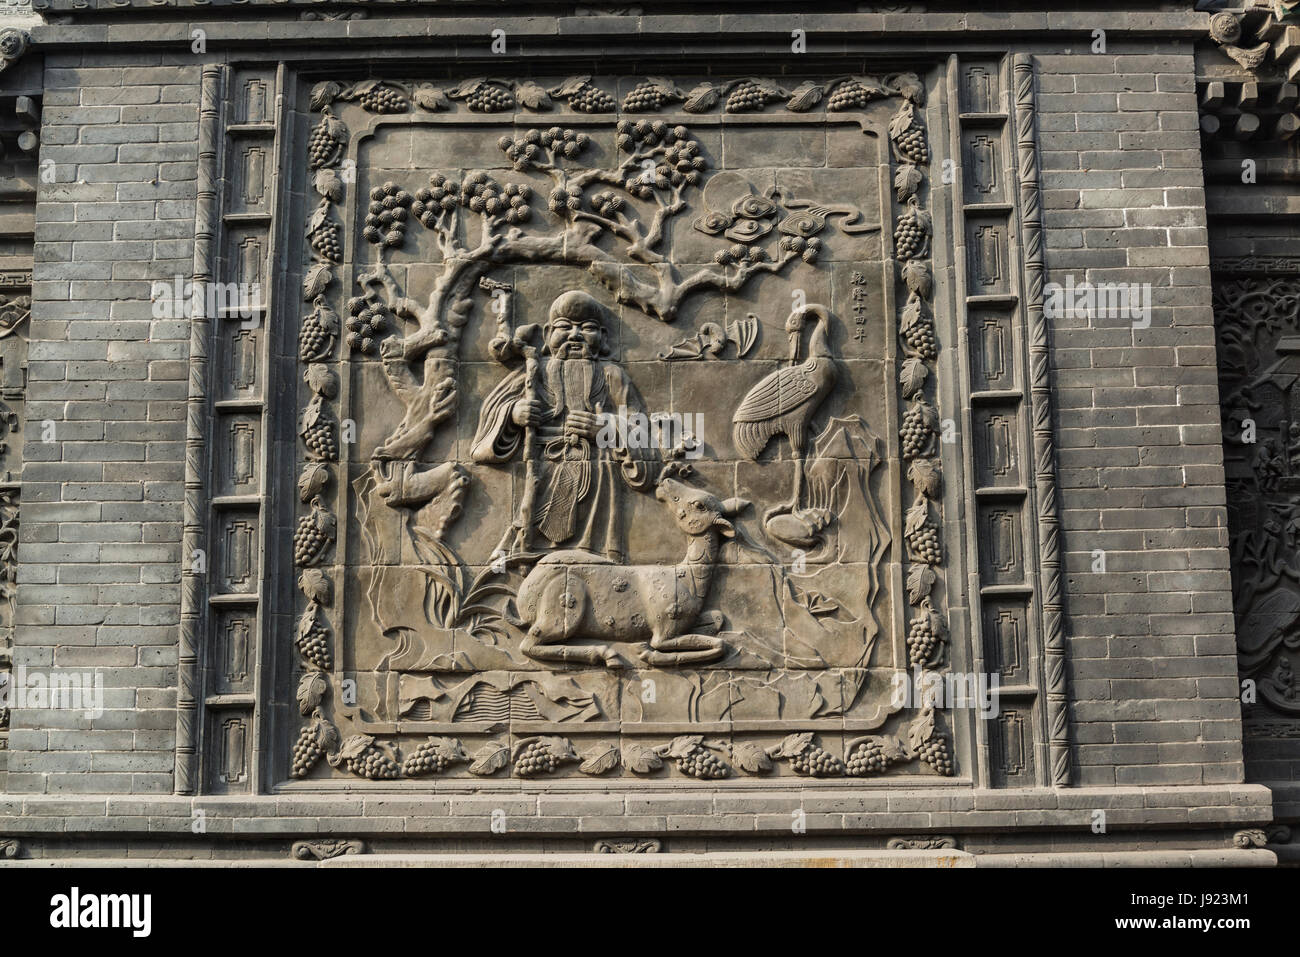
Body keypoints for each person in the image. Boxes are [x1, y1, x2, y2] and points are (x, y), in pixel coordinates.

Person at [471, 290, 657, 561]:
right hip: (542, 468)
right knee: (526, 538)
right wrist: (513, 413)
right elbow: (489, 419)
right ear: (548, 334)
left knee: (591, 556)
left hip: (596, 477)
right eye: (564, 327)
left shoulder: (611, 375)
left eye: (588, 328)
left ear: (603, 337)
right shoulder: (533, 371)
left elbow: (640, 431)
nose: (575, 335)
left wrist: (603, 427)